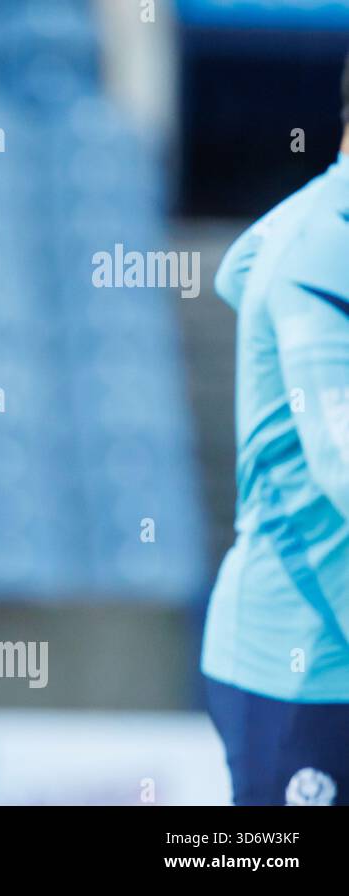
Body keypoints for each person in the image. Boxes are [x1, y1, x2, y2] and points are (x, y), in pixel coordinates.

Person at [202, 49, 349, 806]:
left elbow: (234, 268)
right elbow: (339, 457)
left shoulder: (309, 227)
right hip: (301, 659)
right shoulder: (319, 246)